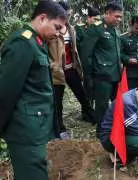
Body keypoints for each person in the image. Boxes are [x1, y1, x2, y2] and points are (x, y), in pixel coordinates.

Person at [0, 1, 67, 179]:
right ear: (43, 18)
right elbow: (6, 92)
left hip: (38, 129)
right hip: (25, 133)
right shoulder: (22, 43)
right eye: (57, 27)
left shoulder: (38, 42)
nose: (59, 33)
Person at [48, 1, 94, 139]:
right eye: (65, 14)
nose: (67, 17)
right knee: (58, 102)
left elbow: (75, 48)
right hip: (57, 71)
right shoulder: (51, 29)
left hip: (71, 68)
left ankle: (92, 117)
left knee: (82, 95)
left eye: (68, 14)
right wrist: (53, 65)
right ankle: (60, 129)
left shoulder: (71, 28)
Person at [79, 3, 123, 136]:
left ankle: (112, 130)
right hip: (102, 76)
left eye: (121, 17)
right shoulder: (96, 28)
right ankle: (101, 134)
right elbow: (86, 55)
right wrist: (88, 77)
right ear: (108, 13)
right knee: (102, 107)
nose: (119, 20)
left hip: (115, 75)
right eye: (117, 16)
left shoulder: (115, 30)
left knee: (116, 105)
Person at [75, 6, 100, 103]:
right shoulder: (80, 28)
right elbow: (77, 47)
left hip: (97, 64)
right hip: (85, 64)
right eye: (95, 19)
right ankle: (87, 112)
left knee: (96, 88)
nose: (97, 21)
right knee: (88, 87)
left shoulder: (99, 28)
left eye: (98, 19)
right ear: (89, 18)